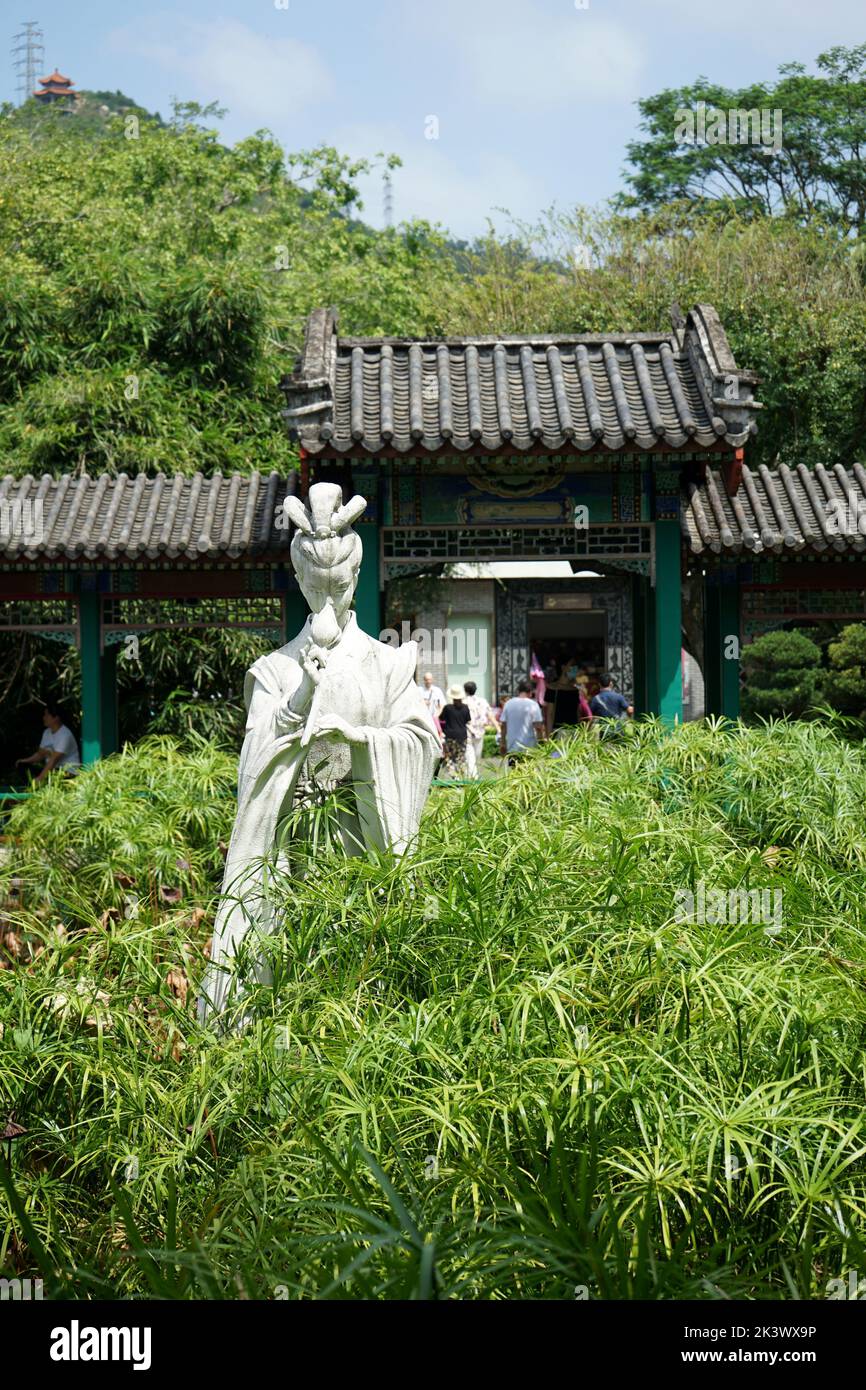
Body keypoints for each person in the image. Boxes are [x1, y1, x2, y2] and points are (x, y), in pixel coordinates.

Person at [17, 702, 81, 782]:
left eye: (47, 715)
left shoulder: (65, 735)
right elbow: (40, 754)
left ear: (56, 718)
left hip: (67, 772)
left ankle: (38, 785)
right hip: (52, 770)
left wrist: (40, 778)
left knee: (49, 775)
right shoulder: (46, 732)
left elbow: (54, 759)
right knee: (22, 766)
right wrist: (25, 761)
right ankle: (31, 787)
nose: (44, 718)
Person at [499, 680, 546, 766]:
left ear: (518, 691)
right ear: (531, 692)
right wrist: (541, 742)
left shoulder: (508, 704)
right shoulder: (533, 705)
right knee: (528, 775)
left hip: (512, 747)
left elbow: (503, 726)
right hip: (529, 747)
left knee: (515, 775)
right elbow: (538, 727)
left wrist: (503, 743)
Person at [463, 680, 500, 779]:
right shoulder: (483, 701)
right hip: (480, 731)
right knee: (477, 756)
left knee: (469, 756)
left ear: (465, 690)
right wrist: (498, 728)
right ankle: (474, 776)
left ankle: (471, 777)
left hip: (468, 732)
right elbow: (490, 715)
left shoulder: (463, 702)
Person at [440, 684, 471, 778]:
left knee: (449, 757)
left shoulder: (447, 708)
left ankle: (454, 777)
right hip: (462, 736)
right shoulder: (465, 708)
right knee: (461, 757)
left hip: (450, 736)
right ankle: (463, 776)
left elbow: (441, 718)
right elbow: (468, 720)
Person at [589, 673, 634, 738]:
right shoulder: (618, 697)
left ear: (599, 684)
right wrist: (628, 719)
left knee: (605, 747)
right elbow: (630, 710)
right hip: (618, 729)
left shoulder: (595, 699)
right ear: (611, 684)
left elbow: (590, 716)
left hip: (604, 731)